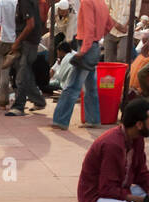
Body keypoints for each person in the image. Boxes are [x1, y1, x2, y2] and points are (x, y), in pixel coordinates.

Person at [77, 98, 149, 202]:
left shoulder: (137, 138)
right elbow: (106, 190)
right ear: (139, 125)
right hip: (95, 197)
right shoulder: (112, 145)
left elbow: (141, 173)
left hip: (120, 189)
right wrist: (143, 201)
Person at [49, 0, 108, 130]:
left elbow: (89, 27)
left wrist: (83, 51)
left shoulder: (87, 2)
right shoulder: (101, 3)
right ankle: (93, 119)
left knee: (72, 86)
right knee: (90, 86)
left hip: (87, 46)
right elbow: (108, 25)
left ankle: (60, 120)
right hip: (94, 45)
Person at [5, 0, 46, 115]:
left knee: (21, 76)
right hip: (30, 41)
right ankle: (39, 101)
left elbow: (30, 24)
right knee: (27, 74)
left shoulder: (24, 1)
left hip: (27, 42)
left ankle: (19, 106)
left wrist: (17, 42)